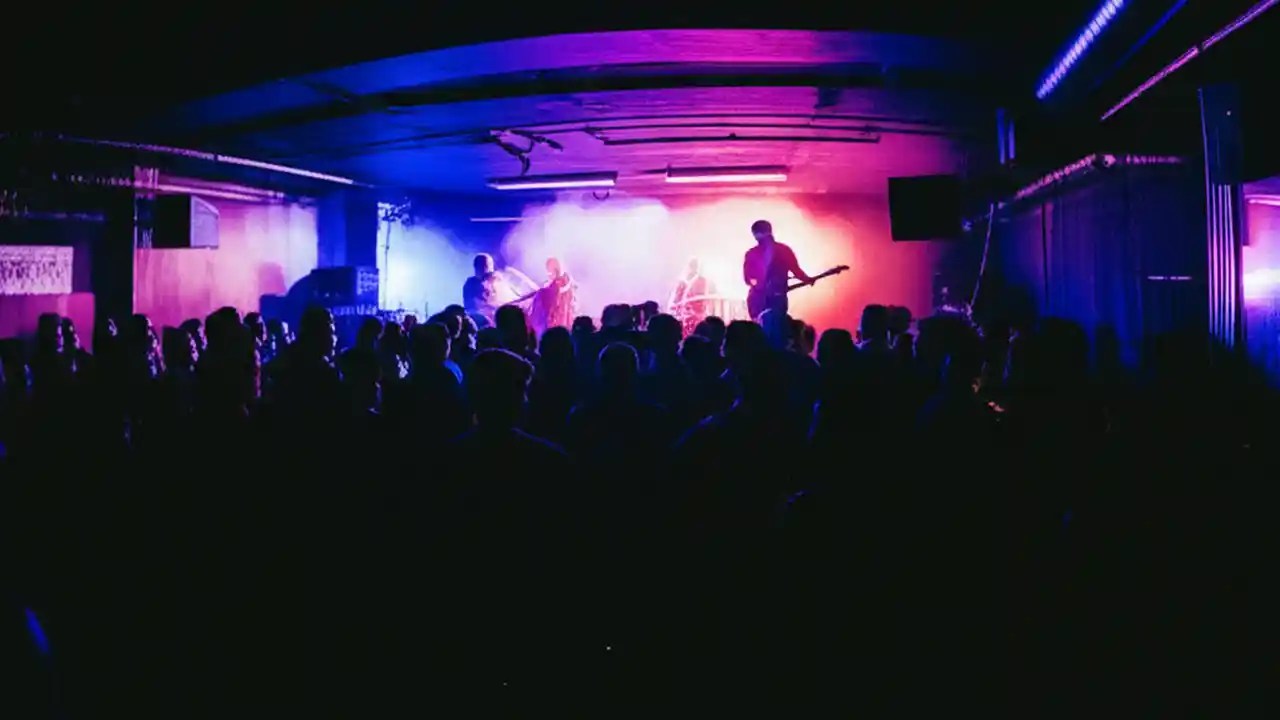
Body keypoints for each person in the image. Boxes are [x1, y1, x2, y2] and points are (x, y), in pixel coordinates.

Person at [743, 219, 814, 320]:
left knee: (760, 326)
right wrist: (807, 279)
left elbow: (747, 278)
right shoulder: (784, 250)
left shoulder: (752, 253)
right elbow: (796, 270)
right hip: (774, 297)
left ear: (755, 235)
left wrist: (758, 286)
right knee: (777, 327)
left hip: (760, 299)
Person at [461, 253, 514, 328]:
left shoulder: (495, 282)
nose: (489, 270)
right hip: (478, 322)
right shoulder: (471, 284)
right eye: (485, 266)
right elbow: (474, 305)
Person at [528, 257, 577, 335]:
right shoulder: (562, 282)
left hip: (557, 321)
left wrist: (542, 292)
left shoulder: (559, 283)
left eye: (549, 272)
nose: (548, 274)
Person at [669, 257, 717, 336]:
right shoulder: (680, 283)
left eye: (695, 266)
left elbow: (710, 300)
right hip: (683, 320)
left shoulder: (705, 282)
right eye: (691, 265)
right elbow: (674, 302)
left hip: (698, 320)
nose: (692, 268)